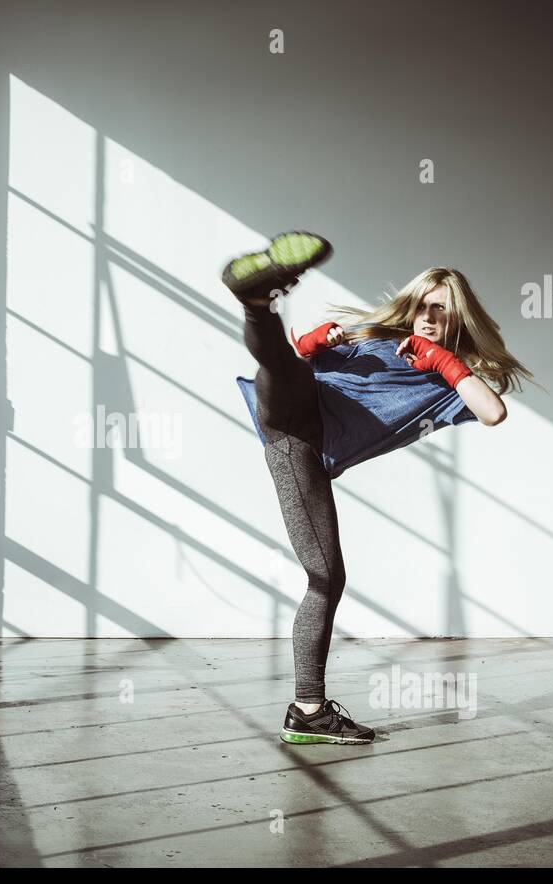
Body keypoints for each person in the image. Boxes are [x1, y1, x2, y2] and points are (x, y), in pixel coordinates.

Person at [223, 231, 536, 745]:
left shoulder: (448, 383)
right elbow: (298, 366)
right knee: (281, 368)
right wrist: (313, 343)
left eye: (441, 311)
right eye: (422, 308)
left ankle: (308, 712)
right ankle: (257, 302)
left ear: (458, 321)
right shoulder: (379, 343)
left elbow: (493, 411)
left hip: (303, 451)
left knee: (325, 577)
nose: (429, 318)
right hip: (296, 415)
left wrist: (444, 363)